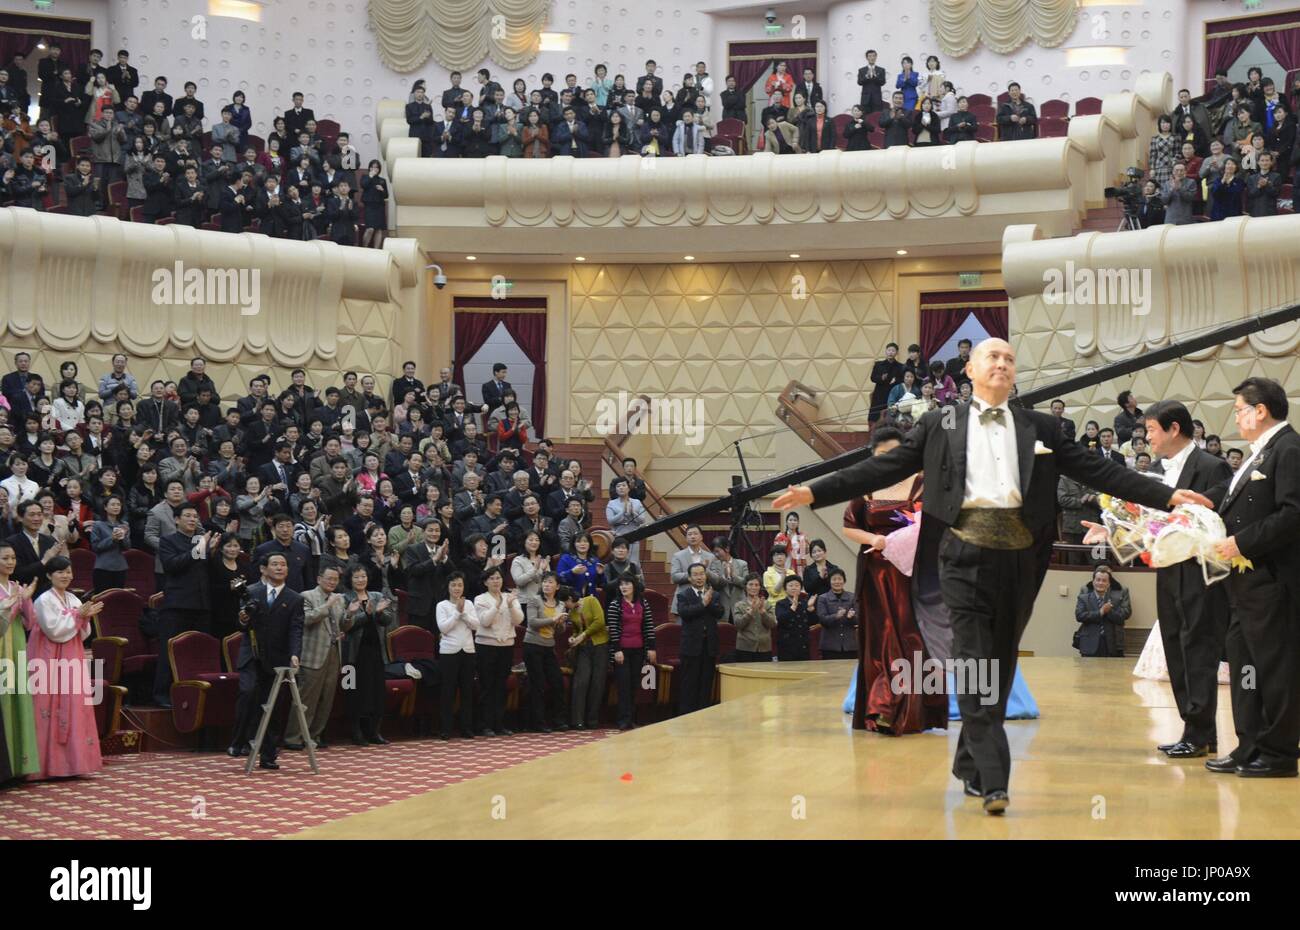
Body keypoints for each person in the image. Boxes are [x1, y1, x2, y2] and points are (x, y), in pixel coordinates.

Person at [775, 338, 1207, 813]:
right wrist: (814, 492)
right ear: (972, 370)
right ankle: (995, 778)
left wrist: (1167, 497)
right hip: (960, 555)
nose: (1001, 364)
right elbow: (885, 465)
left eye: (1008, 358)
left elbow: (1098, 471)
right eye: (992, 357)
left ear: (1015, 372)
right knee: (973, 656)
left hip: (1020, 558)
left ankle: (968, 761)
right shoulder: (939, 422)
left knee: (998, 664)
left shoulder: (1042, 427)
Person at [1203, 378, 1300, 778]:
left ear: (1261, 410)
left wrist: (1241, 542)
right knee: (1245, 666)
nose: (1237, 417)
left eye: (1240, 409)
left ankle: (1279, 753)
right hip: (1245, 584)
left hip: (1272, 580)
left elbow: (1293, 513)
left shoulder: (1289, 449)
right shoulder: (1260, 453)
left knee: (1274, 667)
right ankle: (1249, 743)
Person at [27, 556, 104, 779]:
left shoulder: (73, 599)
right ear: (49, 575)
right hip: (48, 657)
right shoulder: (43, 600)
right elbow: (53, 630)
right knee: (47, 704)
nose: (65, 576)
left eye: (68, 572)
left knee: (74, 702)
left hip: (72, 655)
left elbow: (84, 633)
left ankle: (74, 763)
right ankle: (46, 765)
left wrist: (84, 618)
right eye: (60, 572)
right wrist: (79, 616)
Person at [228, 553, 305, 768]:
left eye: (283, 564)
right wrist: (242, 619)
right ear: (264, 569)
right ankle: (239, 741)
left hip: (277, 659)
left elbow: (296, 630)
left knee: (273, 705)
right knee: (248, 691)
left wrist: (295, 653)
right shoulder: (250, 591)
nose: (279, 568)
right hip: (251, 655)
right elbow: (242, 624)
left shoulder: (295, 599)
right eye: (274, 564)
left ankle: (269, 754)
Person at [340, 563, 396, 745]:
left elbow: (388, 620)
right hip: (352, 655)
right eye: (356, 577)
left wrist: (379, 613)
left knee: (377, 692)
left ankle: (374, 732)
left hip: (375, 651)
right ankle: (356, 733)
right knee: (353, 692)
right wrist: (368, 615)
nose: (360, 580)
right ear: (350, 579)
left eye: (363, 576)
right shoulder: (345, 598)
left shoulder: (377, 596)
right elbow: (344, 625)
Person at [0, 544, 40, 782]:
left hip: (16, 644)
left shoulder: (16, 587)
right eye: (5, 558)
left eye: (13, 558)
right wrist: (15, 602)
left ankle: (20, 764)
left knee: (18, 698)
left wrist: (25, 601)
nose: (10, 562)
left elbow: (30, 622)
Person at [474, 566, 521, 737]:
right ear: (486, 582)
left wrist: (510, 606)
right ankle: (485, 725)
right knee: (487, 686)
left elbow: (518, 620)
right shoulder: (480, 599)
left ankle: (499, 724)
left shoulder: (510, 597)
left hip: (506, 646)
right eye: (492, 578)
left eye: (499, 578)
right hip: (486, 646)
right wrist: (498, 605)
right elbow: (485, 622)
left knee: (501, 686)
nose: (496, 581)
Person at [605, 576, 656, 730]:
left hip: (639, 650)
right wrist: (617, 650)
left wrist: (651, 648)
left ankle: (631, 718)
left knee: (634, 685)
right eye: (621, 585)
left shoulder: (643, 603)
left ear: (634, 586)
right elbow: (613, 630)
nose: (624, 587)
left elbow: (648, 626)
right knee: (623, 686)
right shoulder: (615, 605)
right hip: (622, 650)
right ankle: (623, 720)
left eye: (627, 584)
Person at [436, 570, 480, 740]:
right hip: (449, 652)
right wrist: (457, 613)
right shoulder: (442, 605)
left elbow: (476, 625)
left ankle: (466, 728)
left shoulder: (469, 603)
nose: (457, 588)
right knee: (448, 692)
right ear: (448, 587)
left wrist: (464, 613)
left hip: (468, 651)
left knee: (467, 691)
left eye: (460, 585)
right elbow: (443, 628)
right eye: (453, 585)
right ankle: (446, 729)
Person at [677, 561, 723, 713]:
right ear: (689, 578)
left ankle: (704, 715)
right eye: (695, 575)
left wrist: (708, 602)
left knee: (706, 682)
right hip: (691, 646)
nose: (699, 577)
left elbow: (720, 613)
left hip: (709, 646)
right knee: (689, 683)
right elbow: (685, 613)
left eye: (702, 574)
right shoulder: (683, 595)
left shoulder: (714, 594)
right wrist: (703, 603)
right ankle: (686, 715)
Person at [524, 572, 568, 732]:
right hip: (532, 646)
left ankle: (559, 720)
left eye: (550, 583)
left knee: (557, 682)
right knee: (538, 684)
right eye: (544, 582)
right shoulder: (534, 600)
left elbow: (559, 631)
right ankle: (538, 722)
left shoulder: (560, 605)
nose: (546, 585)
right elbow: (533, 622)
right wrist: (554, 620)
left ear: (557, 586)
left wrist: (561, 623)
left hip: (549, 646)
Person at [563, 584, 608, 730]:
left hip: (600, 645)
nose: (565, 606)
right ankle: (577, 720)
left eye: (566, 603)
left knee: (597, 683)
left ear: (570, 598)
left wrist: (583, 635)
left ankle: (592, 720)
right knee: (580, 682)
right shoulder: (571, 613)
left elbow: (600, 622)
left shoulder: (591, 601)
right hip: (583, 648)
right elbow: (576, 631)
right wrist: (573, 637)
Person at [1073, 565, 1131, 657]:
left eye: (1104, 581)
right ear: (1093, 582)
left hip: (1111, 645)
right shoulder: (1083, 598)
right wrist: (1100, 612)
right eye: (1098, 580)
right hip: (1089, 644)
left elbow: (1121, 619)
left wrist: (1109, 611)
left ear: (1108, 584)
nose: (1100, 583)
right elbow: (1079, 616)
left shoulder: (1115, 600)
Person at [88, 495, 130, 592]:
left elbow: (127, 547)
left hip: (120, 566)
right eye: (113, 504)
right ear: (105, 507)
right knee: (102, 598)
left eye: (118, 504)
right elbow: (96, 547)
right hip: (103, 567)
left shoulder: (125, 525)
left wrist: (122, 538)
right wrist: (112, 539)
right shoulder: (98, 525)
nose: (116, 507)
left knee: (117, 598)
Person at [816, 569, 858, 660]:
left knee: (850, 672)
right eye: (834, 579)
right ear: (829, 581)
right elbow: (822, 619)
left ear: (844, 581)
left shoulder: (852, 597)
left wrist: (852, 617)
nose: (837, 582)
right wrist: (836, 616)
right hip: (830, 645)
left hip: (850, 645)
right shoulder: (823, 598)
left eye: (840, 579)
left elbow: (859, 619)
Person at [731, 576, 776, 662]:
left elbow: (772, 624)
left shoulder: (766, 604)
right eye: (750, 584)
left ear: (760, 587)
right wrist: (750, 613)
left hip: (764, 648)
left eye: (756, 585)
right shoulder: (739, 605)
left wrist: (763, 612)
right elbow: (738, 625)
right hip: (744, 648)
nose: (754, 587)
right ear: (745, 587)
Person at [775, 575, 817, 662]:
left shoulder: (805, 603)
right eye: (790, 585)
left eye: (797, 585)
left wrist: (810, 609)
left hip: (803, 646)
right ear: (785, 589)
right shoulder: (781, 604)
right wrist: (793, 607)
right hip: (787, 647)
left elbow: (813, 622)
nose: (794, 588)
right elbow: (781, 620)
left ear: (800, 588)